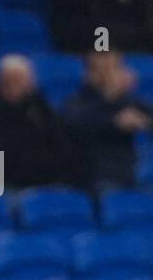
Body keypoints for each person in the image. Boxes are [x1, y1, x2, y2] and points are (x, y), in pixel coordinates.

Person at [0, 55, 76, 189]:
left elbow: (60, 148)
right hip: (9, 183)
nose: (12, 85)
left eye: (17, 80)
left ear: (30, 82)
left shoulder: (44, 112)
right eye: (7, 80)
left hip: (48, 180)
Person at [62, 50, 153, 190]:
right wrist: (114, 120)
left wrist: (143, 121)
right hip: (92, 178)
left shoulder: (127, 101)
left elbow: (146, 116)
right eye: (105, 70)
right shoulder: (77, 103)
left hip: (127, 174)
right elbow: (80, 122)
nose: (110, 76)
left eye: (115, 68)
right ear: (90, 73)